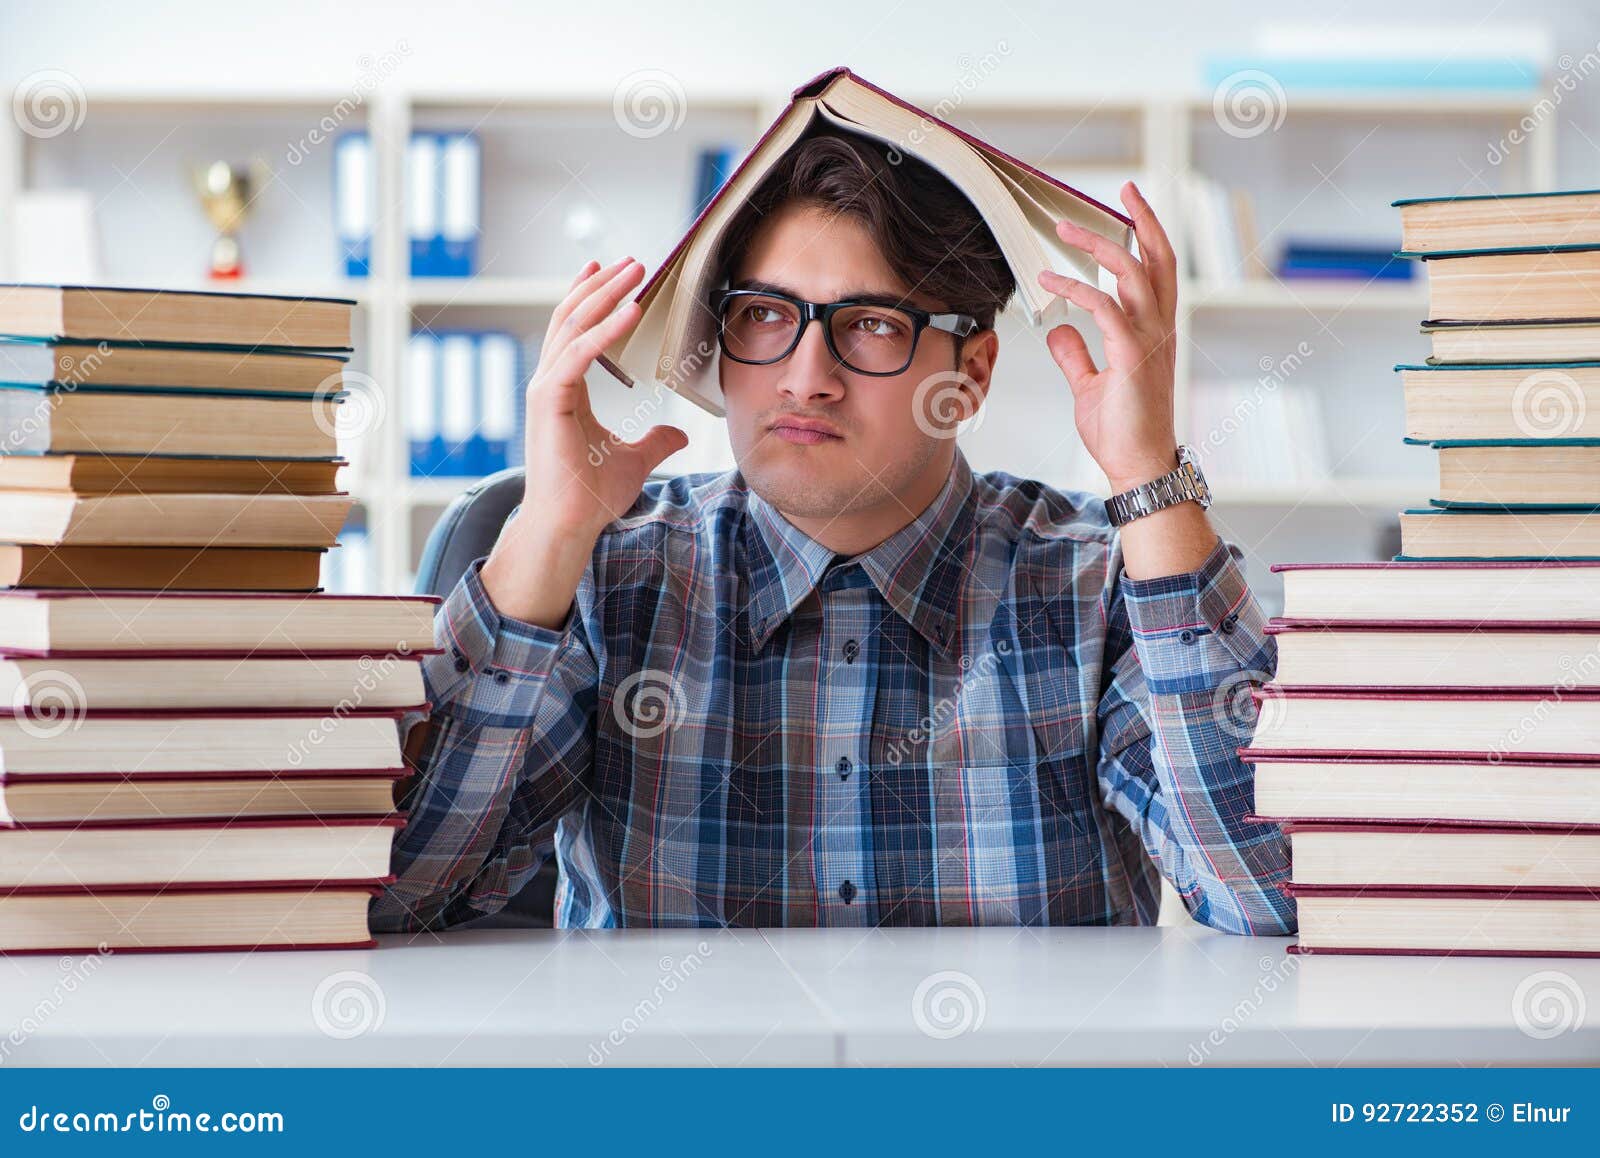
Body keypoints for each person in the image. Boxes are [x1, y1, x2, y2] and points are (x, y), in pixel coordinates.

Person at [370, 128, 1294, 934]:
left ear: (969, 373)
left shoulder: (1094, 584)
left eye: (872, 326)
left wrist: (1149, 480)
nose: (804, 376)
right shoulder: (613, 573)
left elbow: (1272, 897)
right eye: (764, 316)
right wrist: (548, 534)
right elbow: (398, 894)